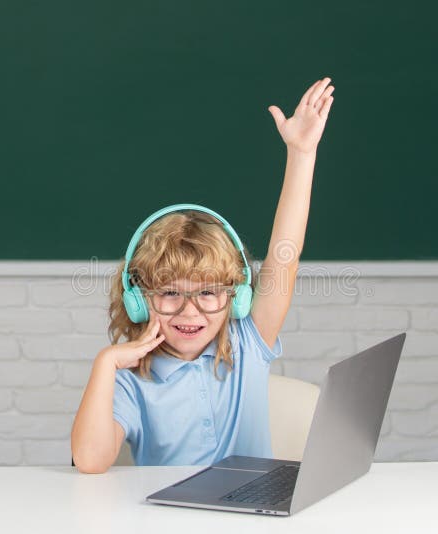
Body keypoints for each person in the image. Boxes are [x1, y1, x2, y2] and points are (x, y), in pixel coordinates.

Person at [71, 77, 335, 473]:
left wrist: (301, 154)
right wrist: (106, 363)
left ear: (237, 297)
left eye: (208, 293)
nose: (190, 311)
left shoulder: (248, 342)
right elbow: (90, 462)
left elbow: (286, 254)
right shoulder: (130, 382)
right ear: (139, 298)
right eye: (170, 293)